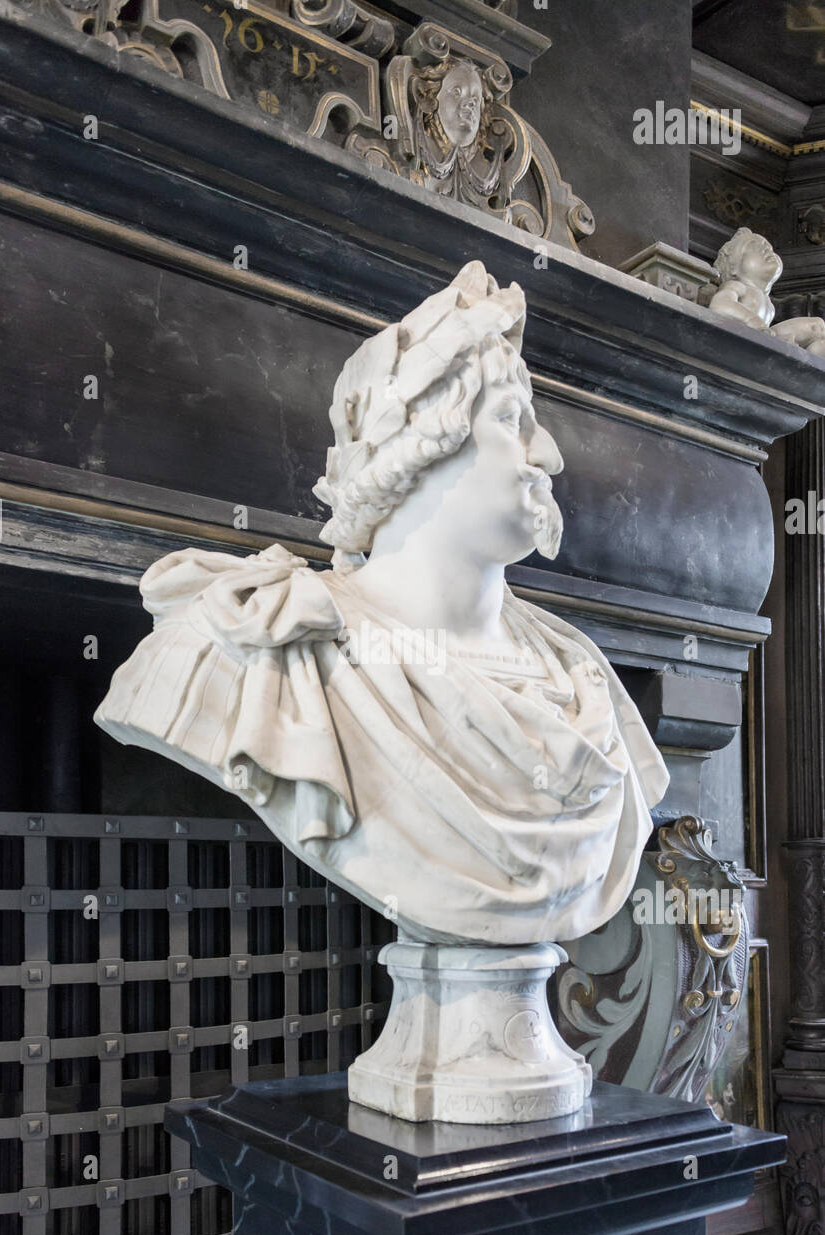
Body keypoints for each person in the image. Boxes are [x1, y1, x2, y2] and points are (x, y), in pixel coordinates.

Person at [95, 261, 669, 947]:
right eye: (513, 418)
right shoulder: (254, 638)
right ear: (421, 446)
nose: (547, 456)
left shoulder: (580, 673)